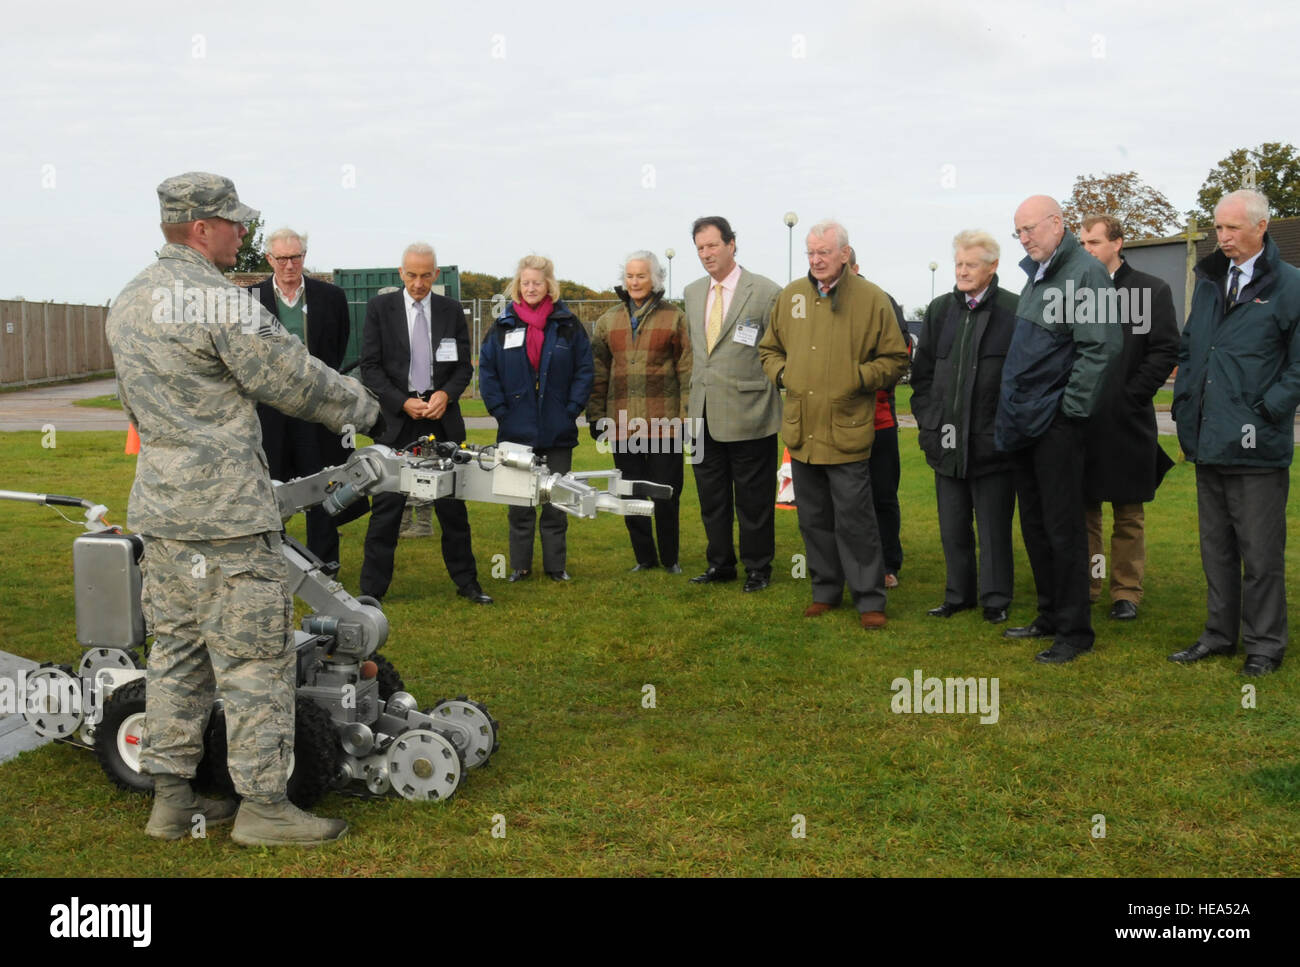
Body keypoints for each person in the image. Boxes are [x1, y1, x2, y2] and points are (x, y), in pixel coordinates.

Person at [105, 172, 379, 845]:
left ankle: (172, 799)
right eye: (232, 223)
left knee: (174, 654)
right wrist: (366, 407)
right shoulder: (217, 301)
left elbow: (132, 405)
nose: (242, 233)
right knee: (257, 660)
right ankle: (263, 806)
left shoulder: (127, 300)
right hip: (228, 518)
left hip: (164, 515)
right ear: (200, 227)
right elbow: (289, 375)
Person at [1171, 188, 1300, 676]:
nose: (1221, 237)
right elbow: (1190, 350)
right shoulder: (1208, 282)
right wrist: (1186, 406)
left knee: (1260, 553)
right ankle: (1219, 635)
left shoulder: (1291, 285)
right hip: (1208, 439)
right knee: (1217, 548)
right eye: (1217, 228)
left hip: (1257, 445)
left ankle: (1265, 644)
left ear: (1261, 227)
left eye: (1231, 228)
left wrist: (1268, 409)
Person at [758, 220, 910, 629]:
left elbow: (897, 359)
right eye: (810, 252)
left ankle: (869, 599)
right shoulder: (791, 296)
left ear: (845, 253)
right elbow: (768, 348)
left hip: (848, 429)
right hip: (802, 429)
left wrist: (859, 378)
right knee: (814, 519)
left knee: (856, 520)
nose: (816, 259)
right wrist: (784, 375)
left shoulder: (873, 299)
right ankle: (825, 591)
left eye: (824, 252)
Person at [994, 195, 1121, 663]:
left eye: (1030, 229)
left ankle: (1074, 633)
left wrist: (1067, 412)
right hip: (1024, 424)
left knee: (1065, 529)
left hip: (1055, 426)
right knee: (1036, 525)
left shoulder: (1084, 274)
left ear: (1057, 223)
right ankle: (1048, 615)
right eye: (1018, 232)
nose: (1024, 239)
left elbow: (1100, 350)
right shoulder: (1037, 276)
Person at [358, 243, 491, 605]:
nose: (418, 283)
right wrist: (402, 401)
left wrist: (445, 395)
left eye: (425, 275)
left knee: (453, 507)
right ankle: (371, 592)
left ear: (435, 274)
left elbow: (464, 366)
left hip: (441, 420)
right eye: (412, 275)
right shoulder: (380, 309)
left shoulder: (450, 310)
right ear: (401, 273)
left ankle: (469, 584)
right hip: (398, 421)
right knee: (386, 507)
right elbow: (369, 366)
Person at [910, 230, 1019, 624]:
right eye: (958, 264)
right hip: (945, 440)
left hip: (992, 443)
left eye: (971, 264)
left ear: (992, 267)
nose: (962, 271)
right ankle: (958, 595)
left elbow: (1020, 380)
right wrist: (928, 418)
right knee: (953, 526)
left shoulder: (1014, 310)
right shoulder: (940, 310)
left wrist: (1006, 428)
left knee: (993, 529)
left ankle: (995, 600)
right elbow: (921, 375)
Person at [1078, 214, 1179, 621]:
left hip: (1128, 421)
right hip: (1082, 421)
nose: (1087, 251)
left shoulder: (1151, 290)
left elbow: (1165, 350)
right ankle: (1087, 585)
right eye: (1082, 244)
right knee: (1085, 512)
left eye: (1095, 243)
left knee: (1128, 514)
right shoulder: (1071, 293)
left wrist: (1131, 395)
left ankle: (1126, 592)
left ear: (1118, 243)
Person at [479, 255, 594, 581]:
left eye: (537, 282)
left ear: (548, 286)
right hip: (515, 430)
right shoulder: (502, 327)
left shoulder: (568, 326)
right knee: (519, 503)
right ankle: (519, 565)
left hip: (557, 430)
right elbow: (487, 372)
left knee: (556, 501)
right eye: (525, 282)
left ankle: (556, 567)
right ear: (518, 285)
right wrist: (501, 411)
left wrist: (571, 409)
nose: (531, 288)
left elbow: (585, 370)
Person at [683, 216, 782, 592]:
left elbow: (778, 349)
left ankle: (758, 569)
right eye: (700, 248)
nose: (706, 254)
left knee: (754, 500)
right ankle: (720, 564)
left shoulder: (766, 291)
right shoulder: (693, 293)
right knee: (712, 497)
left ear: (732, 244)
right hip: (703, 413)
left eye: (712, 245)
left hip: (750, 412)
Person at [249, 227, 358, 570]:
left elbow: (337, 349)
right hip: (270, 413)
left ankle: (325, 565)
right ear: (269, 259)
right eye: (281, 258)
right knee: (271, 489)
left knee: (321, 485)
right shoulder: (249, 300)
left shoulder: (331, 297)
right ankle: (271, 565)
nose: (289, 265)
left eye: (295, 257)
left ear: (304, 257)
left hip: (316, 411)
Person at [588, 251, 692, 573]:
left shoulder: (675, 318)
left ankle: (669, 558)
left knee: (665, 491)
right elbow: (598, 372)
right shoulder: (608, 321)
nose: (634, 282)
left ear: (655, 279)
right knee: (630, 492)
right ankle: (644, 558)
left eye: (641, 276)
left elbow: (687, 370)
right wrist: (595, 415)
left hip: (665, 424)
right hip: (621, 425)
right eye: (630, 276)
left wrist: (688, 418)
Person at [848, 247, 910, 590]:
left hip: (879, 420)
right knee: (841, 498)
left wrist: (860, 378)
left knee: (882, 495)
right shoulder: (820, 301)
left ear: (855, 265)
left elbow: (900, 355)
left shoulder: (881, 301)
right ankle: (847, 561)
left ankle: (888, 563)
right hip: (834, 424)